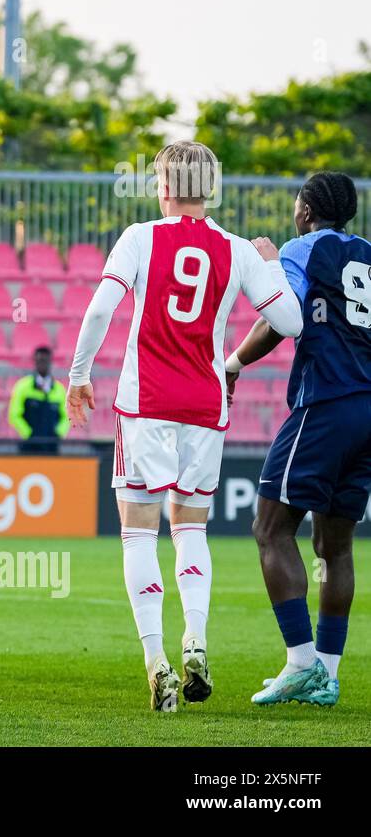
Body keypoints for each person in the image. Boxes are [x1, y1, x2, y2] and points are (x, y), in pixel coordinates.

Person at [66, 140, 303, 712]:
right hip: (204, 405)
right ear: (213, 188)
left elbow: (100, 309)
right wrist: (270, 263)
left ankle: (157, 663)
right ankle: (195, 638)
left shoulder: (139, 238)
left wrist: (79, 374)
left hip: (145, 404)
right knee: (190, 531)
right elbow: (290, 322)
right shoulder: (237, 250)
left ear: (162, 186)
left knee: (138, 534)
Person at [225, 172, 371, 708]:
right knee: (335, 545)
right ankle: (328, 675)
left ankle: (301, 661)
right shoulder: (369, 255)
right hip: (368, 406)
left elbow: (282, 318)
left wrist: (233, 362)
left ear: (306, 209)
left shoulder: (302, 247)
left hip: (327, 400)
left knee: (269, 526)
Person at [7, 346, 70, 454]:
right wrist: (28, 434)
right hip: (28, 446)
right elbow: (14, 415)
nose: (43, 364)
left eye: (46, 361)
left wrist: (58, 434)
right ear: (34, 361)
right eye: (40, 360)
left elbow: (67, 416)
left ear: (50, 362)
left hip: (51, 446)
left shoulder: (59, 389)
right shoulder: (22, 386)